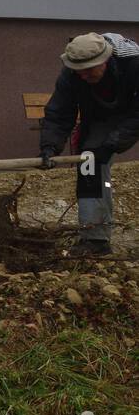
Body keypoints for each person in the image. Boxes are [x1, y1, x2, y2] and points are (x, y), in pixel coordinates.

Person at [40, 32, 139, 258]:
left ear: (105, 60)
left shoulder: (133, 64)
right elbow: (59, 113)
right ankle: (95, 239)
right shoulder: (71, 74)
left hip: (134, 110)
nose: (83, 75)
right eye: (79, 70)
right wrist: (50, 147)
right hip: (102, 117)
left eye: (89, 69)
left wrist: (113, 143)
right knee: (89, 162)